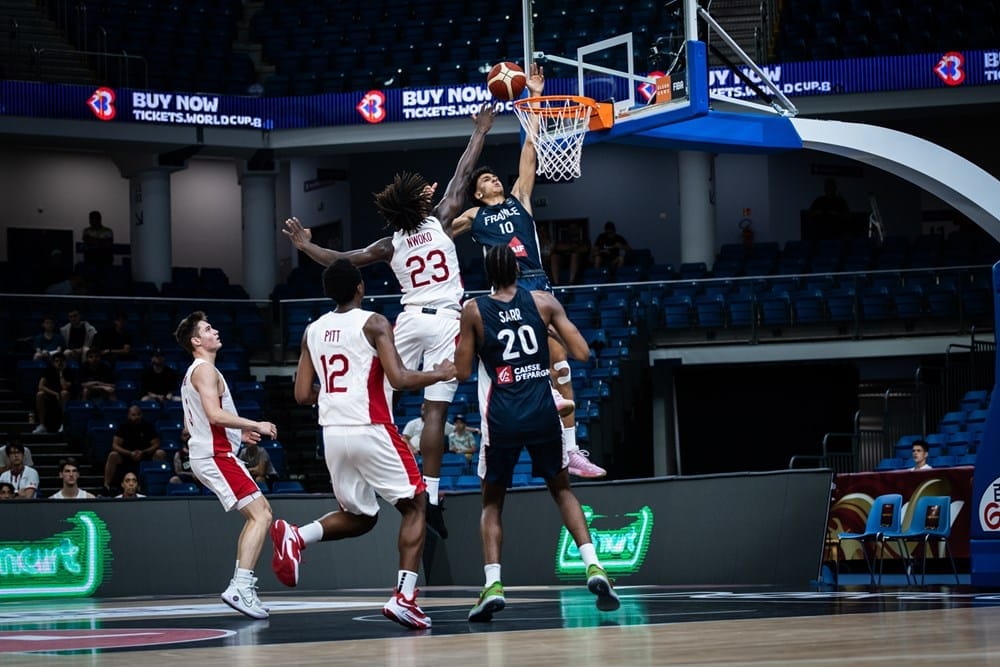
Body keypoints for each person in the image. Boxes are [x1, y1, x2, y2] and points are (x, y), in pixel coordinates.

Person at [281, 104, 493, 539]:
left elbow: (342, 261)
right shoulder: (441, 218)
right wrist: (481, 130)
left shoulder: (389, 244)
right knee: (435, 410)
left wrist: (305, 245)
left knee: (379, 388)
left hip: (409, 319)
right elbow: (463, 172)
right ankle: (429, 496)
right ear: (419, 204)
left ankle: (381, 456)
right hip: (446, 318)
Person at [269, 259, 456, 630]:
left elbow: (303, 394)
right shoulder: (374, 322)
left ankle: (297, 536)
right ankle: (404, 597)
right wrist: (441, 371)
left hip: (333, 433)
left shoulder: (312, 330)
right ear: (360, 287)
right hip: (371, 427)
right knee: (417, 505)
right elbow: (400, 379)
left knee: (362, 517)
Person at [452, 67, 606, 479]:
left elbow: (530, 153)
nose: (492, 178)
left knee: (561, 364)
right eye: (485, 178)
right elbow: (438, 227)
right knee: (521, 368)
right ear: (478, 193)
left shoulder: (520, 198)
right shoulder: (472, 216)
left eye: (492, 175)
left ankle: (571, 449)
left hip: (536, 283)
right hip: (503, 292)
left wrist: (536, 99)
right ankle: (504, 440)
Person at [453, 245, 619, 621]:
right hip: (544, 411)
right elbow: (581, 352)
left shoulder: (474, 310)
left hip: (502, 416)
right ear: (518, 268)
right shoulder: (543, 301)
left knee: (492, 503)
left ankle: (493, 584)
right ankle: (594, 566)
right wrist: (544, 328)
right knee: (562, 490)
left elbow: (463, 373)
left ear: (488, 274)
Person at [175, 310, 277, 620]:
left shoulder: (194, 371)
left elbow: (189, 424)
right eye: (207, 328)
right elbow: (214, 416)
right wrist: (256, 424)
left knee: (259, 515)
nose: (215, 330)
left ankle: (242, 586)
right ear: (196, 340)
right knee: (262, 515)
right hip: (215, 456)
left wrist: (237, 432)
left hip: (213, 452)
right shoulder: (205, 370)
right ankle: (240, 586)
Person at [102, 404, 165, 494]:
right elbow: (115, 445)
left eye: (138, 414)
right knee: (113, 455)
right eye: (134, 415)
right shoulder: (123, 427)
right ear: (129, 415)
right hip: (127, 456)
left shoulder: (147, 426)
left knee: (160, 453)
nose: (136, 417)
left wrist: (143, 452)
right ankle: (106, 485)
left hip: (145, 455)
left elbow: (156, 444)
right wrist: (129, 453)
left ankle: (159, 485)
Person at [33, 352, 76, 434]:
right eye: (56, 361)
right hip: (52, 395)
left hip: (65, 398)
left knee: (64, 393)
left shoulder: (68, 371)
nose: (59, 363)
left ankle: (63, 424)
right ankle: (42, 425)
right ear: (53, 362)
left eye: (61, 361)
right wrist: (55, 393)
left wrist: (61, 374)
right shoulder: (48, 370)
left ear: (64, 362)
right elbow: (40, 386)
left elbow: (65, 387)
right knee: (40, 394)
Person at [550, 220, 590, 285]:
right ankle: (556, 284)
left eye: (575, 228)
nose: (573, 230)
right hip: (565, 260)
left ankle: (571, 282)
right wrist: (573, 246)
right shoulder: (565, 238)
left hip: (580, 262)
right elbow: (558, 247)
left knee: (574, 255)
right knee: (554, 256)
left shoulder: (583, 238)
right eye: (571, 228)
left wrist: (570, 248)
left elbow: (585, 249)